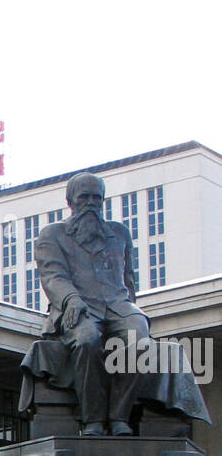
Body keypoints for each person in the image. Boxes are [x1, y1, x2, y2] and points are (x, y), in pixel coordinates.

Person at [34, 172, 150, 437]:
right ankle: (93, 420)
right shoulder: (53, 234)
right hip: (77, 304)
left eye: (96, 198)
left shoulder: (120, 233)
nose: (90, 203)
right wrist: (70, 299)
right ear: (70, 201)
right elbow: (53, 275)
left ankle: (119, 417)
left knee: (139, 338)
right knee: (87, 339)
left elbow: (128, 277)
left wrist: (131, 309)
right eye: (83, 197)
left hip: (117, 305)